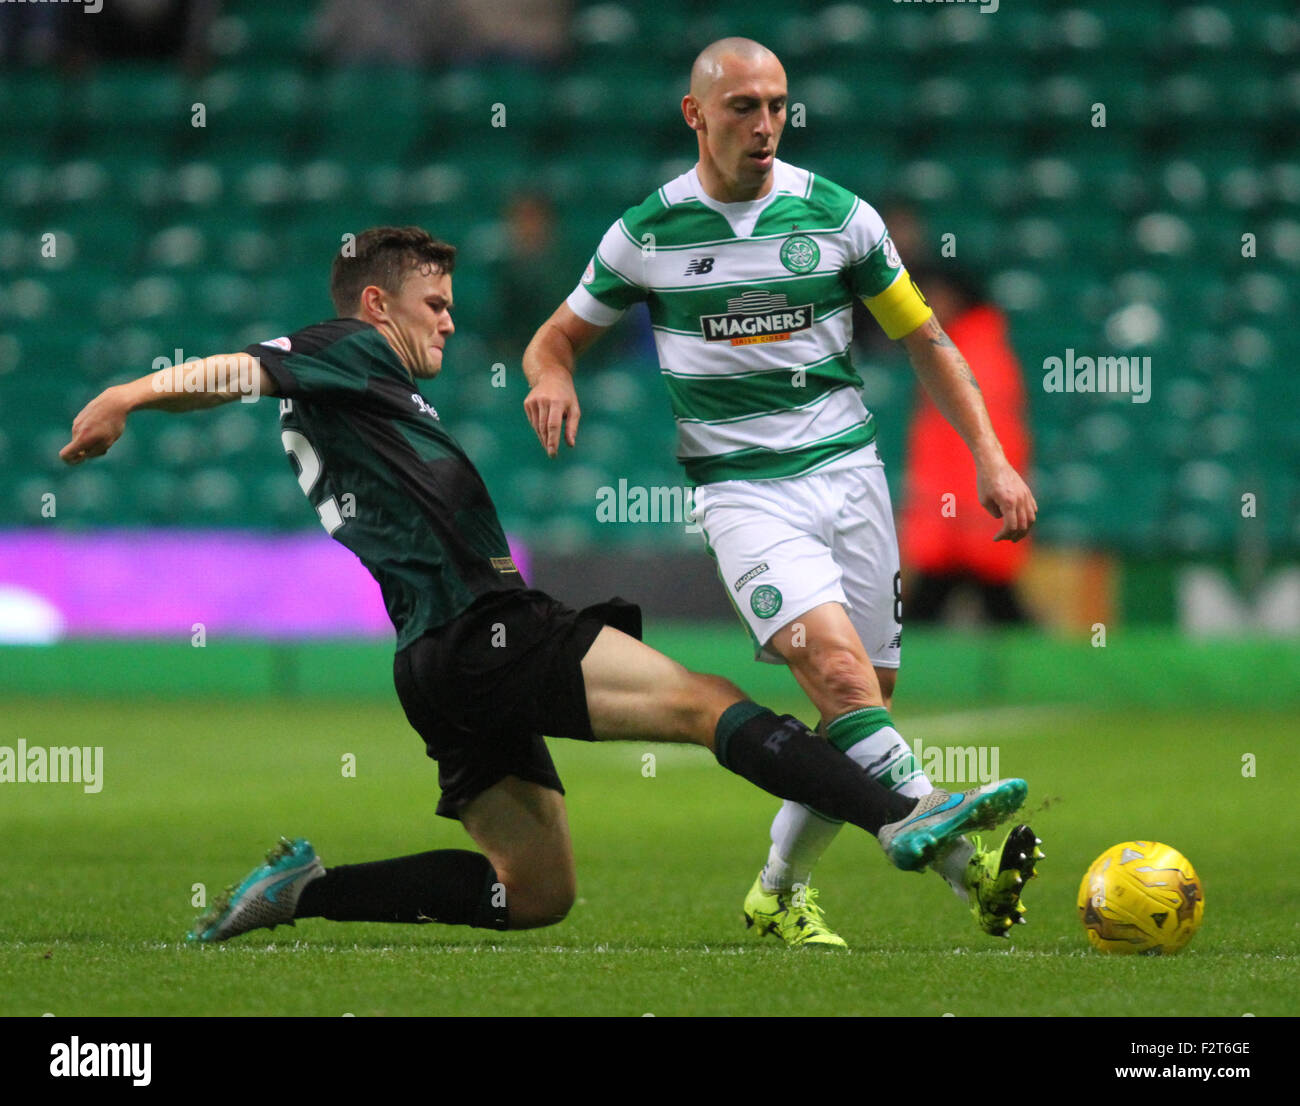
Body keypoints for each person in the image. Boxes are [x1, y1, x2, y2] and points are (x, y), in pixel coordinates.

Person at [59, 226, 1030, 943]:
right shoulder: (342, 351)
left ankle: (305, 890)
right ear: (374, 305)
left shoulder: (363, 392)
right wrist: (125, 397)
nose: (447, 317)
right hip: (482, 624)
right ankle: (901, 814)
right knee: (708, 703)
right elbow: (243, 368)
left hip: (431, 659)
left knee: (533, 893)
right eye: (431, 303)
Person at [521, 39, 1041, 948]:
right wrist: (551, 373)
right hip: (745, 497)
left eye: (777, 105)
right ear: (695, 115)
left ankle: (776, 890)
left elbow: (925, 340)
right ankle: (960, 855)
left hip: (851, 480)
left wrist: (990, 458)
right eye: (741, 108)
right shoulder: (646, 235)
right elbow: (553, 338)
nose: (764, 125)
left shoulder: (837, 216)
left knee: (860, 703)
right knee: (840, 678)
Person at [900, 266, 1034, 624]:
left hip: (964, 526)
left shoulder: (968, 353)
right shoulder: (974, 346)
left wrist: (960, 520)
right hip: (962, 525)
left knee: (930, 616)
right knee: (999, 610)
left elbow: (969, 448)